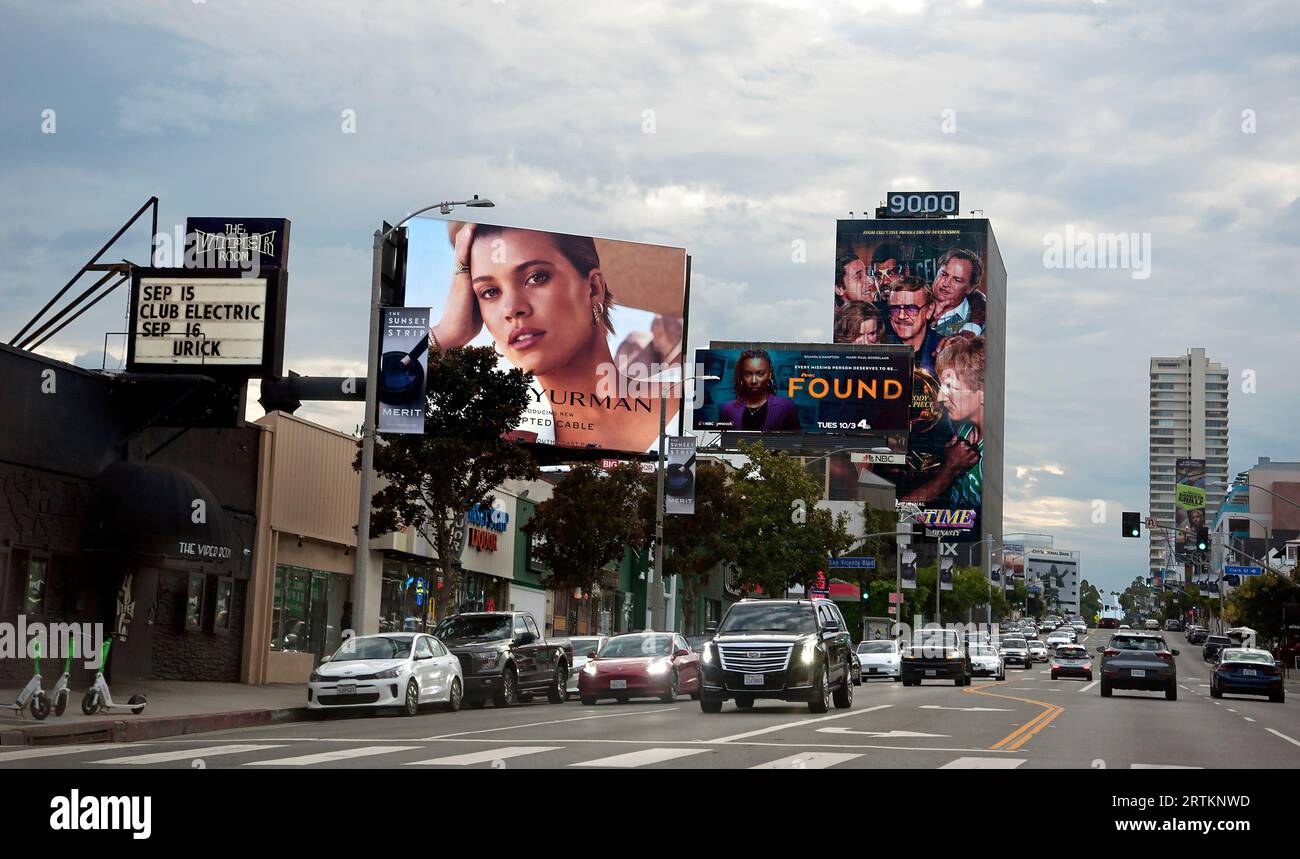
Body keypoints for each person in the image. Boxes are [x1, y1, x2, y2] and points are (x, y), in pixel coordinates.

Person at [430, 223, 680, 452]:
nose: (512, 308)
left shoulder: (694, 393)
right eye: (490, 292)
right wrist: (446, 335)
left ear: (593, 288)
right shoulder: (508, 445)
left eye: (536, 277)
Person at [901, 334, 985, 507]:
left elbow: (903, 509)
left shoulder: (990, 458)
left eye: (951, 387)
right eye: (941, 387)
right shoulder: (963, 431)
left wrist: (950, 468)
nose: (940, 397)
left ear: (984, 393)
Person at [719, 349, 801, 432]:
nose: (754, 380)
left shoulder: (787, 407)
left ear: (769, 375)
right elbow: (725, 440)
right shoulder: (728, 409)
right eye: (748, 374)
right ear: (741, 376)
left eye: (760, 374)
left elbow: (796, 441)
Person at [885, 276, 945, 375]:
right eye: (895, 309)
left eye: (911, 308)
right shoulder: (880, 348)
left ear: (929, 310)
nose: (901, 316)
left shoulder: (944, 348)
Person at [930, 248, 986, 337]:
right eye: (944, 274)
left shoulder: (981, 326)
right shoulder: (916, 299)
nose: (946, 283)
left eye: (957, 280)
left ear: (969, 289)